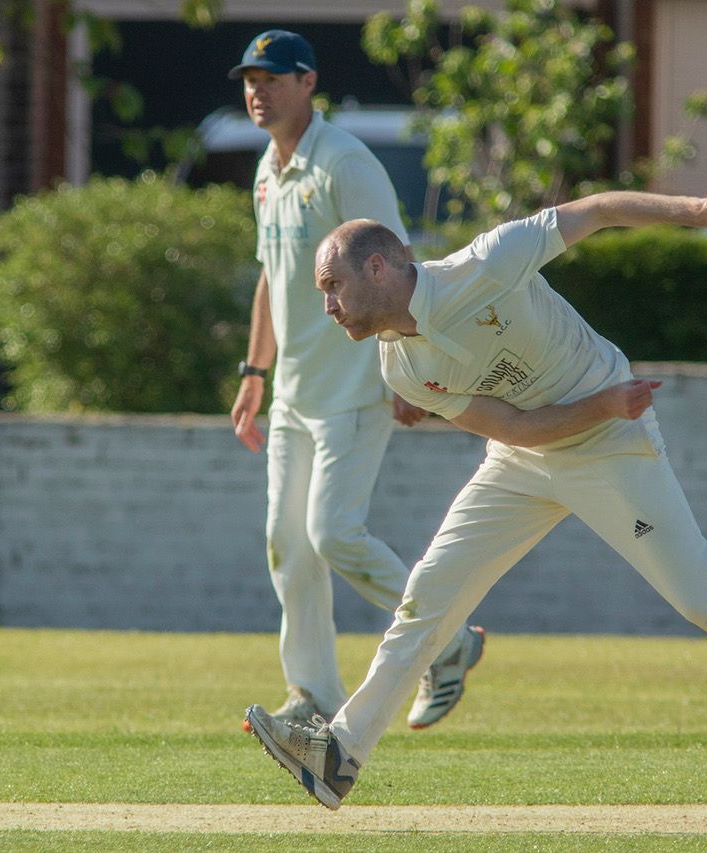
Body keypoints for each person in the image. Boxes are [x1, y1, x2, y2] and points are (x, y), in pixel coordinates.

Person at [242, 165, 707, 813]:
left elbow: (597, 211)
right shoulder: (399, 365)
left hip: (612, 442)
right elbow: (512, 425)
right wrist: (598, 407)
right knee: (428, 597)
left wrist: (700, 213)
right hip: (528, 452)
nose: (326, 306)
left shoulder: (487, 260)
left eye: (332, 285)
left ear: (378, 267)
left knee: (706, 599)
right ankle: (340, 755)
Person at [226, 29, 484, 733]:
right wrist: (255, 370)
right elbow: (270, 279)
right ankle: (310, 692)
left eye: (273, 78)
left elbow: (394, 271)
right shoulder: (267, 170)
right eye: (251, 79)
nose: (259, 91)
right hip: (293, 395)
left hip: (356, 384)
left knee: (333, 533)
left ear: (308, 82)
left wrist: (408, 368)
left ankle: (450, 638)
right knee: (288, 545)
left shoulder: (344, 161)